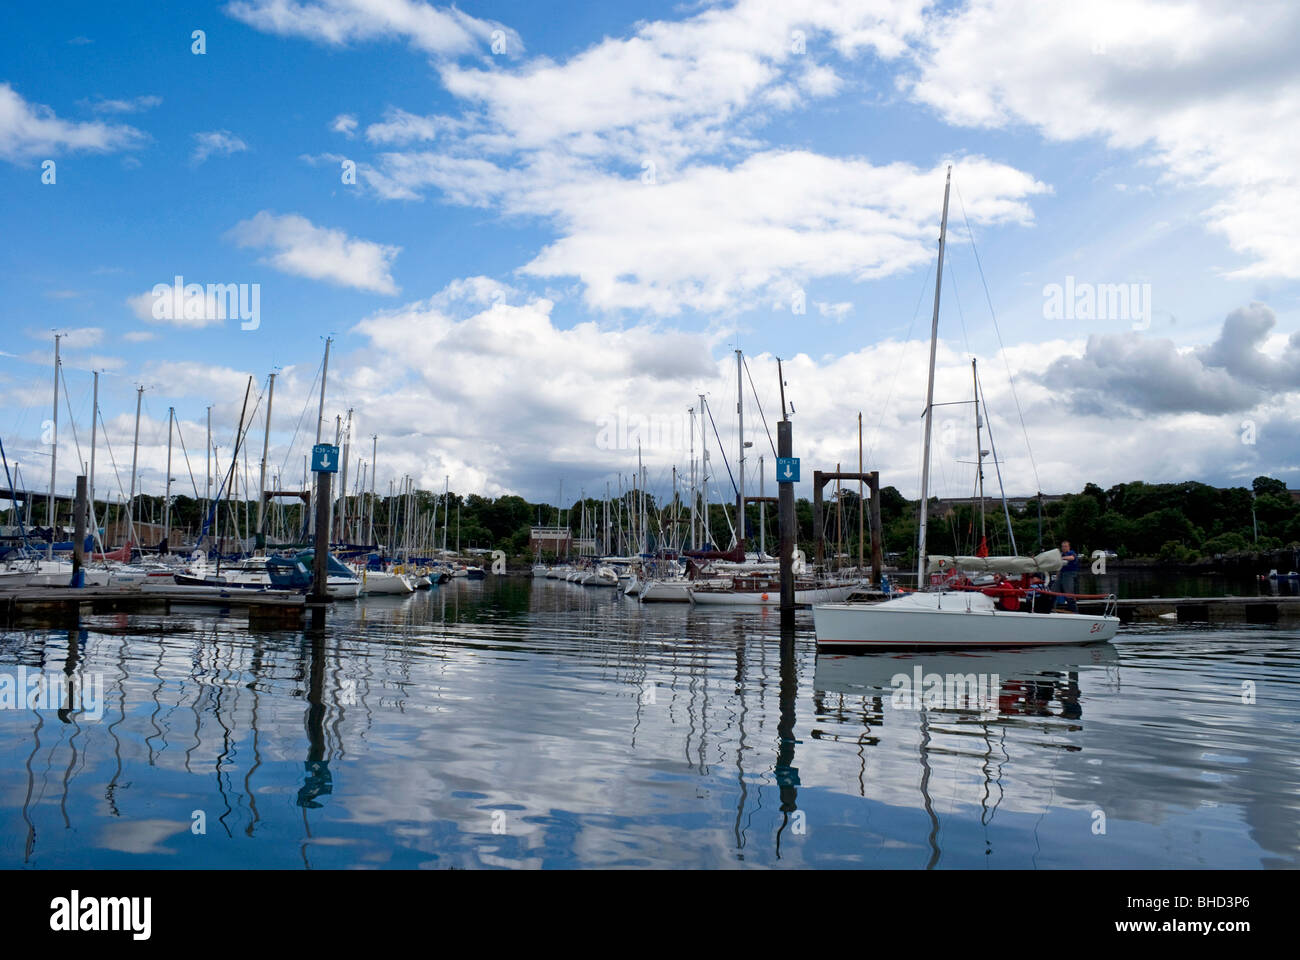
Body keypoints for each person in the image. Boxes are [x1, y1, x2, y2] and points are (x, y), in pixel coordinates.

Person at [1057, 540, 1079, 612]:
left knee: (1069, 593)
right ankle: (1051, 608)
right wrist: (1058, 574)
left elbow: (1072, 558)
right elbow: (1059, 567)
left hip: (1069, 574)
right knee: (1054, 590)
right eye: (1062, 546)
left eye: (1065, 546)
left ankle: (1074, 611)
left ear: (1069, 547)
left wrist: (1061, 558)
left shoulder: (1071, 553)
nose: (1064, 548)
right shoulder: (1061, 554)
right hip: (1062, 575)